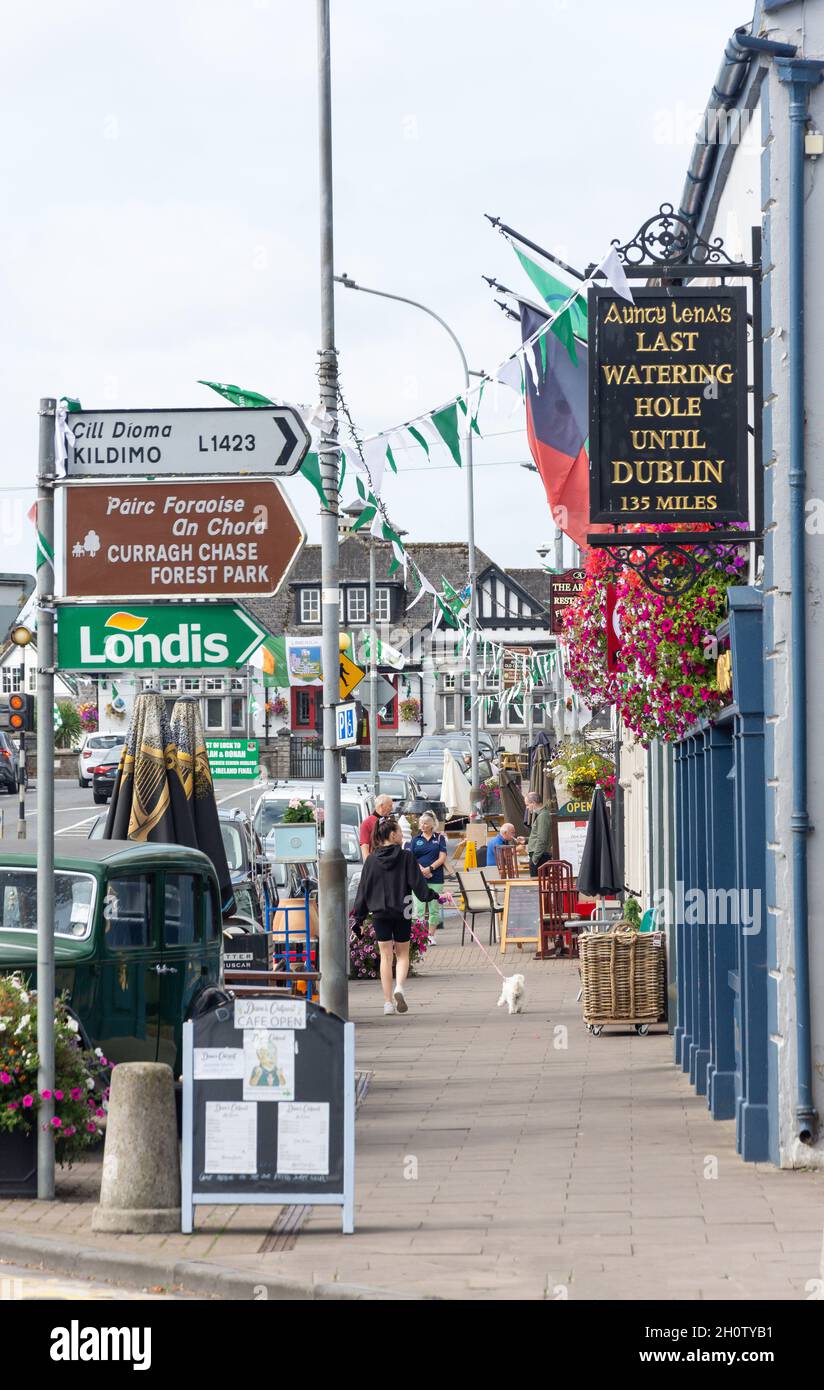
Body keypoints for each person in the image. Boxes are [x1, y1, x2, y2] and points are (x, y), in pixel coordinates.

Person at [351, 815, 442, 1015]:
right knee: (402, 954)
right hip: (403, 910)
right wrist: (433, 896)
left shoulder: (371, 860)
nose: (402, 835)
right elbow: (418, 885)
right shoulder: (406, 856)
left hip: (379, 912)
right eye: (400, 832)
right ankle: (399, 987)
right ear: (392, 835)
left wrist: (358, 918)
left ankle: (387, 1003)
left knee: (385, 956)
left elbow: (363, 890)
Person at [408, 811, 448, 937]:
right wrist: (421, 870)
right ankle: (419, 936)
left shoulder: (439, 838)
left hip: (436, 878)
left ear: (431, 825)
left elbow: (442, 858)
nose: (422, 826)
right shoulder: (415, 840)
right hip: (418, 878)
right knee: (418, 909)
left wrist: (430, 869)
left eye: (425, 823)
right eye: (421, 823)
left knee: (433, 909)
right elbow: (411, 858)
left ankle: (430, 936)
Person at [359, 793, 393, 861]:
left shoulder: (389, 821)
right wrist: (369, 865)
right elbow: (365, 846)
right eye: (390, 806)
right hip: (376, 862)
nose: (392, 808)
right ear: (382, 806)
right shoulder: (367, 823)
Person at [525, 791, 553, 875]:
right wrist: (526, 840)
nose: (527, 807)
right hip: (541, 855)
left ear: (533, 803)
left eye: (527, 804)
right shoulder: (542, 814)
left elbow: (542, 839)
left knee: (537, 885)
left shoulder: (543, 815)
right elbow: (540, 836)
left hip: (540, 856)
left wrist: (535, 858)